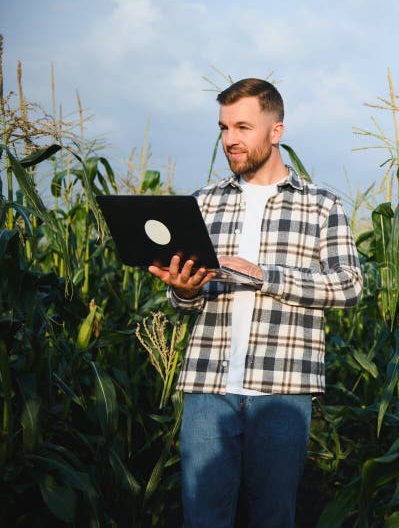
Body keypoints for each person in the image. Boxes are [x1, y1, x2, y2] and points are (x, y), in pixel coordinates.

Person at [148, 78, 362, 527]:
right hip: (208, 387)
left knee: (273, 517)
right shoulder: (203, 203)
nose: (230, 140)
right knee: (203, 519)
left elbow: (348, 286)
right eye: (224, 128)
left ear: (276, 131)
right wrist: (183, 290)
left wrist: (266, 277)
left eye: (243, 127)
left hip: (282, 391)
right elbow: (185, 300)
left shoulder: (322, 206)